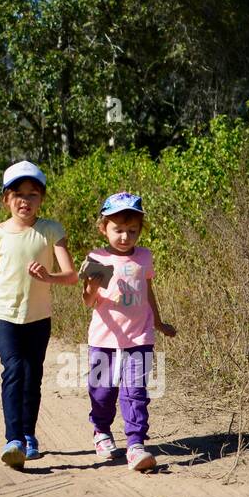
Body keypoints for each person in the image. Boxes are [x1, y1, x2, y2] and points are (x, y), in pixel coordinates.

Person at [0, 161, 77, 468]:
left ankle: (28, 436)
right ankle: (13, 439)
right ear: (6, 199)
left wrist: (48, 277)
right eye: (18, 194)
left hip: (39, 318)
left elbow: (70, 275)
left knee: (33, 376)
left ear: (42, 199)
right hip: (3, 316)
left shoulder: (51, 230)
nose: (25, 200)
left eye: (33, 194)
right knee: (14, 369)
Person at [79, 192, 177, 472]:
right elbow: (88, 301)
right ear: (104, 228)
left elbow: (148, 292)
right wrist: (92, 286)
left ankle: (135, 444)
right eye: (118, 230)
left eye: (132, 230)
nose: (125, 236)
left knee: (136, 391)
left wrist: (159, 322)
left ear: (140, 229)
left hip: (139, 336)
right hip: (104, 338)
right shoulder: (96, 257)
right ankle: (101, 431)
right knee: (101, 390)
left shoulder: (144, 256)